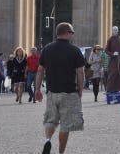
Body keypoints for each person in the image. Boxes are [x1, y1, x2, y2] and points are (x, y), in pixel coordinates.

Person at [35, 22, 86, 154]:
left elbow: (40, 70)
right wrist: (80, 90)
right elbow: (80, 72)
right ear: (67, 32)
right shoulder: (74, 50)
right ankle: (61, 152)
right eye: (72, 32)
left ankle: (47, 140)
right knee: (65, 124)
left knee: (50, 120)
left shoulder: (47, 49)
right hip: (69, 92)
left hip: (52, 92)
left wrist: (37, 90)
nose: (73, 35)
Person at [105, 26, 120, 94]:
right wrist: (112, 53)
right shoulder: (110, 39)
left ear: (117, 31)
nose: (115, 31)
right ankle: (109, 89)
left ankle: (117, 89)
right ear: (112, 31)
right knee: (112, 74)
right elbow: (106, 50)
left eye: (116, 30)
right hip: (114, 60)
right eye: (114, 30)